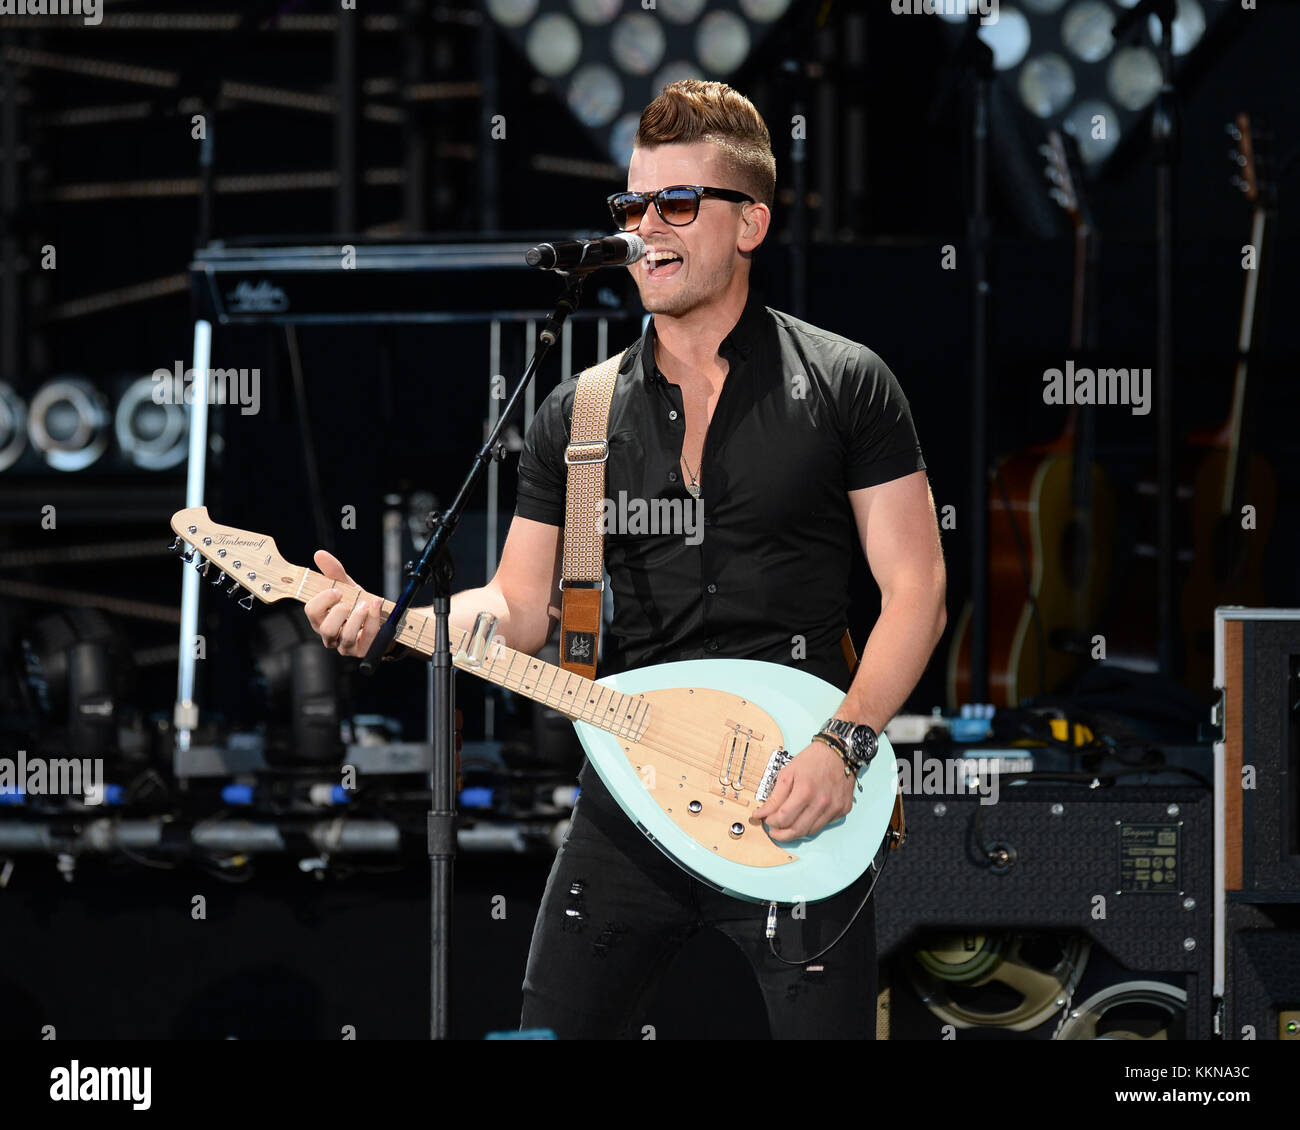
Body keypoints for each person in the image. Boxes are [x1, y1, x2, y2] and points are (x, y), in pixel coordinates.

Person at [304, 80, 946, 1039]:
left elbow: (916, 589)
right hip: (628, 791)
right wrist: (401, 627)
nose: (648, 227)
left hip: (796, 787)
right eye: (633, 206)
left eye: (678, 204)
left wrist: (844, 745)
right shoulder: (579, 410)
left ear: (751, 224)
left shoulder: (846, 382)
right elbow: (521, 612)